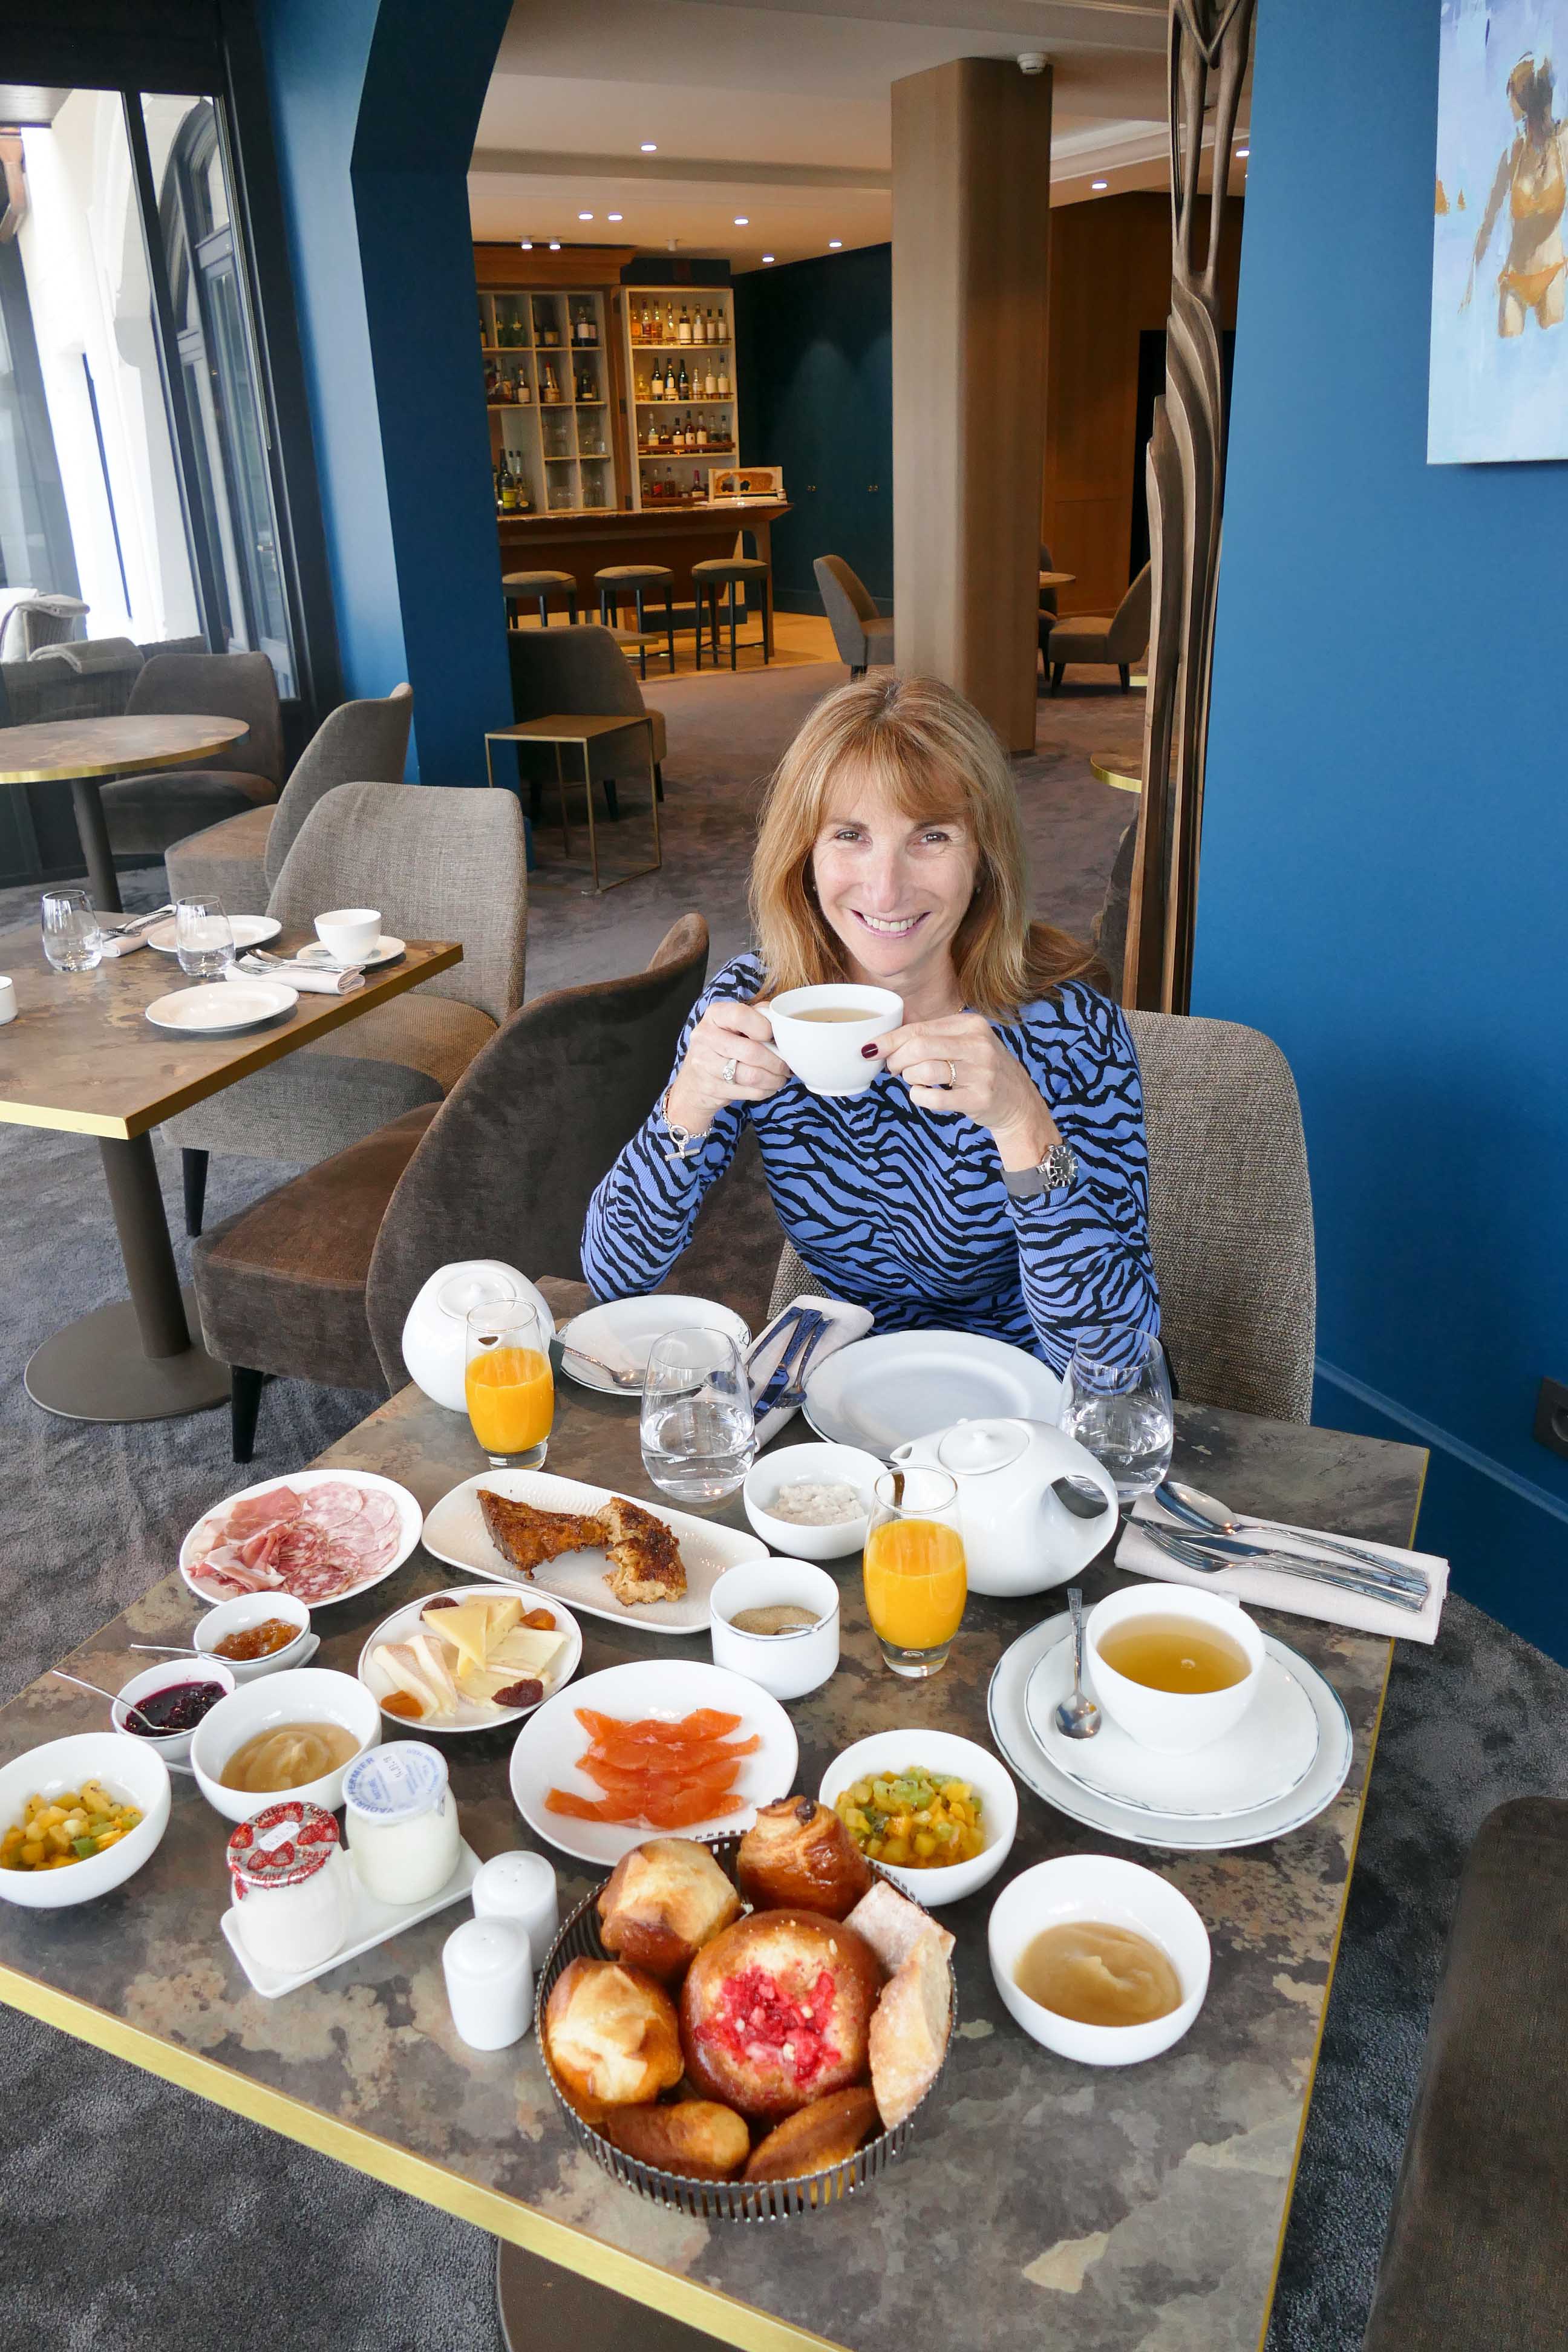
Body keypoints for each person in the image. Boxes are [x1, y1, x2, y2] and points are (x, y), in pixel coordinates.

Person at [581, 674, 1157, 1373]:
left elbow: (1112, 1354)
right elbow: (612, 1276)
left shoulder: (1069, 1029)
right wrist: (688, 1104)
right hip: (851, 1387)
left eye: (931, 836)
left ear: (984, 858)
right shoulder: (758, 1005)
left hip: (1030, 1388)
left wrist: (1023, 1126)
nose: (886, 889)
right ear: (805, 855)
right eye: (850, 835)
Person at [1464, 53, 1568, 336]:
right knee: (1509, 349)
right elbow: (1488, 224)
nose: (1509, 102)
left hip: (1553, 271)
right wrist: (1470, 286)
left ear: (1526, 102)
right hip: (1515, 279)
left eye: (1512, 94)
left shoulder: (1563, 144)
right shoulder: (1513, 154)